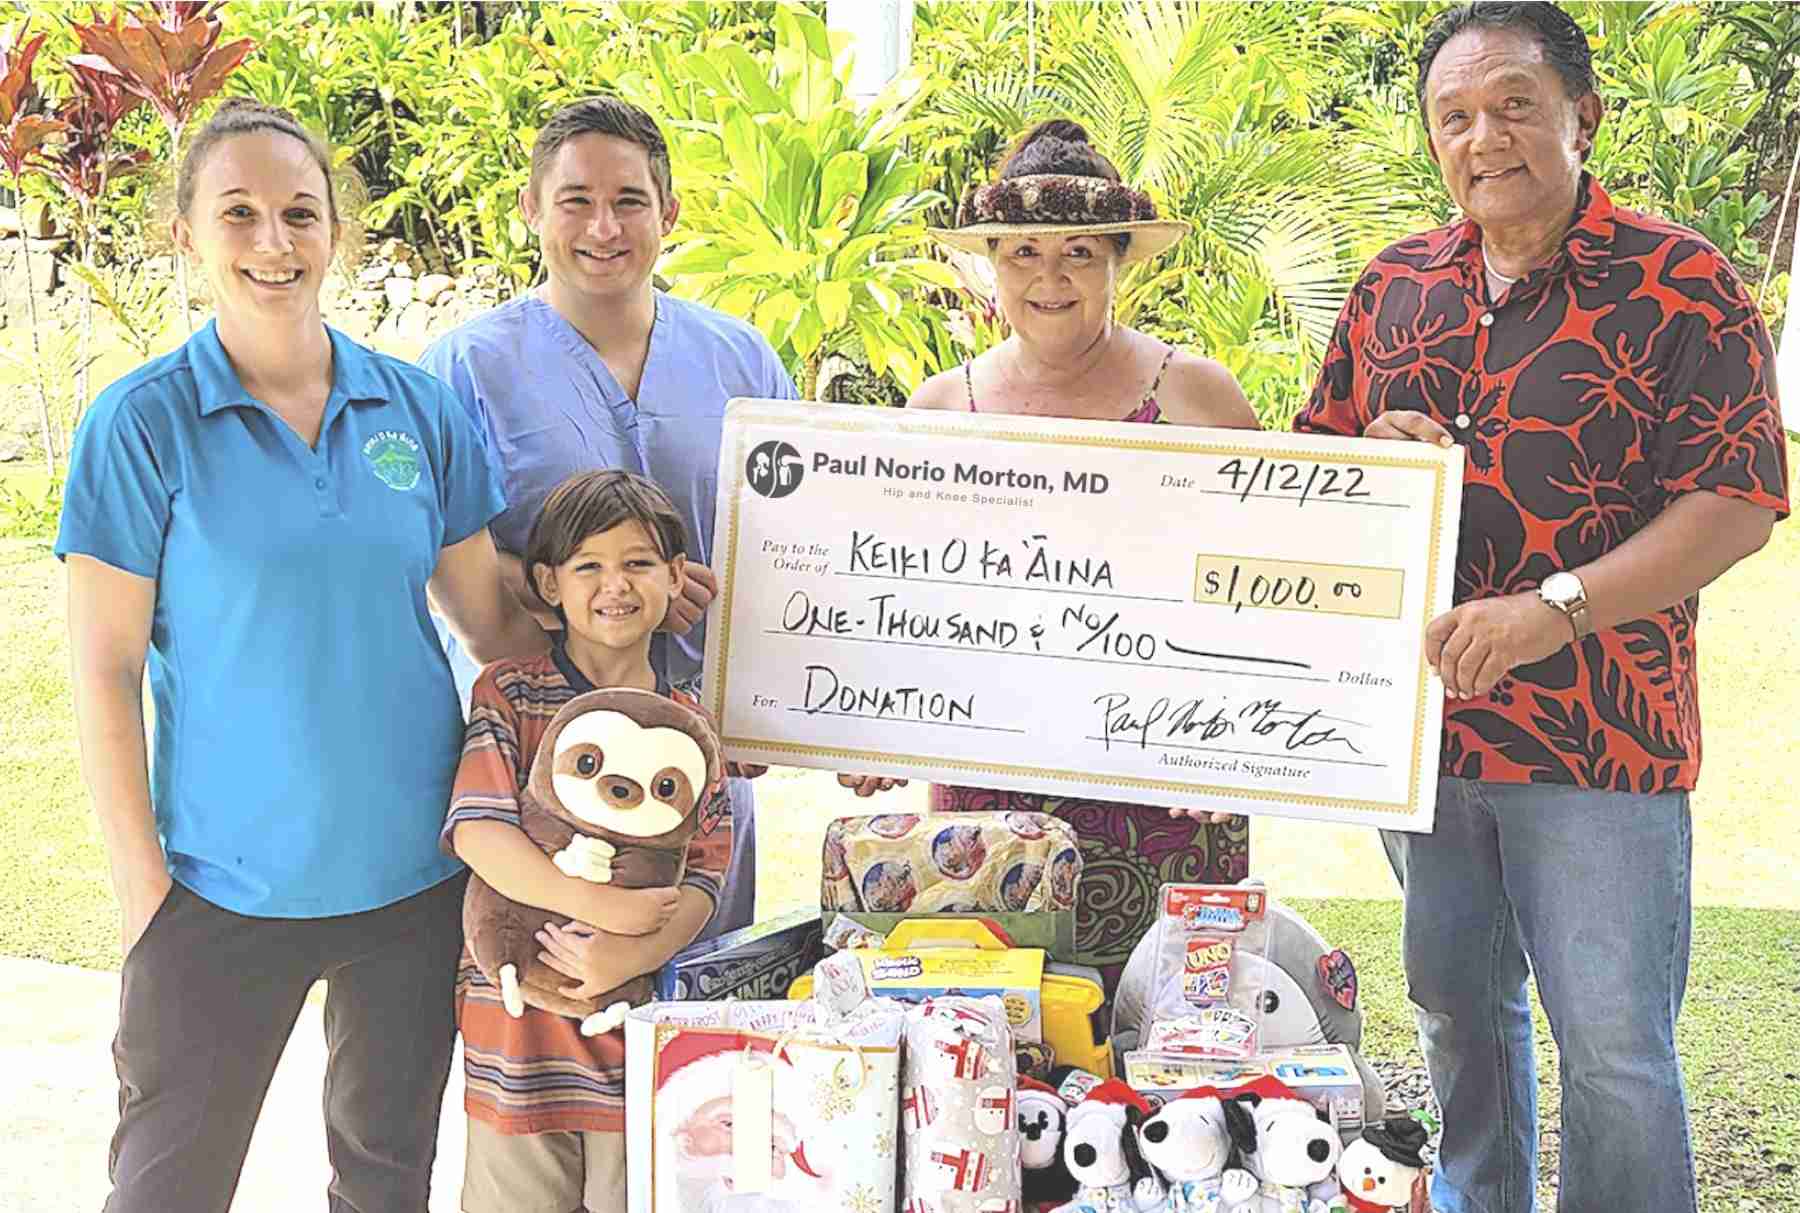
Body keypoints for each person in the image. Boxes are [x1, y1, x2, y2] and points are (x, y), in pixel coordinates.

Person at [1294, 5, 1789, 1211]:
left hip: (1597, 737)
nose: (1485, 137)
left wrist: (1554, 610)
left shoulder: (1684, 284)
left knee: (1614, 1050)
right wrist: (1368, 449)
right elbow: (1312, 471)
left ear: (1584, 113)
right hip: (1420, 739)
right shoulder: (1396, 284)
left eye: (1514, 103)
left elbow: (1737, 500)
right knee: (1459, 1019)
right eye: (1453, 116)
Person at [56, 99, 546, 1213]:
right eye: (240, 214)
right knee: (165, 1190)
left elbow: (494, 628)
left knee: (385, 1184)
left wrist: (640, 645)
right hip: (219, 890)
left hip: (413, 881)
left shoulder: (414, 410)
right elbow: (103, 669)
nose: (274, 243)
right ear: (186, 235)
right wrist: (145, 891)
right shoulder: (141, 426)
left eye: (298, 213)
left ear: (337, 232)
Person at [420, 96, 798, 941]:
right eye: (575, 200)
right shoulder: (468, 368)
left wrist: (775, 705)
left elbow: (794, 553)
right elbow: (454, 557)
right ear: (530, 210)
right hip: (543, 750)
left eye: (629, 200)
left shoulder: (743, 360)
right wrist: (608, 588)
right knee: (548, 990)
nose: (604, 226)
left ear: (668, 211)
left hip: (702, 759)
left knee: (694, 1003)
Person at [906, 119, 1262, 995]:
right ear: (991, 261)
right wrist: (872, 727)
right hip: (993, 793)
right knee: (1003, 1034)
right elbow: (899, 605)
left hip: (1175, 781)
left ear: (1119, 261)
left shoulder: (1196, 394)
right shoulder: (939, 411)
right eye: (1022, 250)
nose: (1049, 277)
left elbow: (1268, 590)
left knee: (1181, 1041)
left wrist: (1242, 743)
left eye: (1079, 254)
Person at [447, 469, 735, 1213]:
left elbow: (706, 871)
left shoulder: (692, 727)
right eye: (589, 566)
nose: (616, 585)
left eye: (639, 563)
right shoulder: (510, 694)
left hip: (634, 1041)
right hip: (516, 1038)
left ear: (676, 578)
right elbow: (479, 832)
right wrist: (593, 905)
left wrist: (633, 951)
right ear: (547, 582)